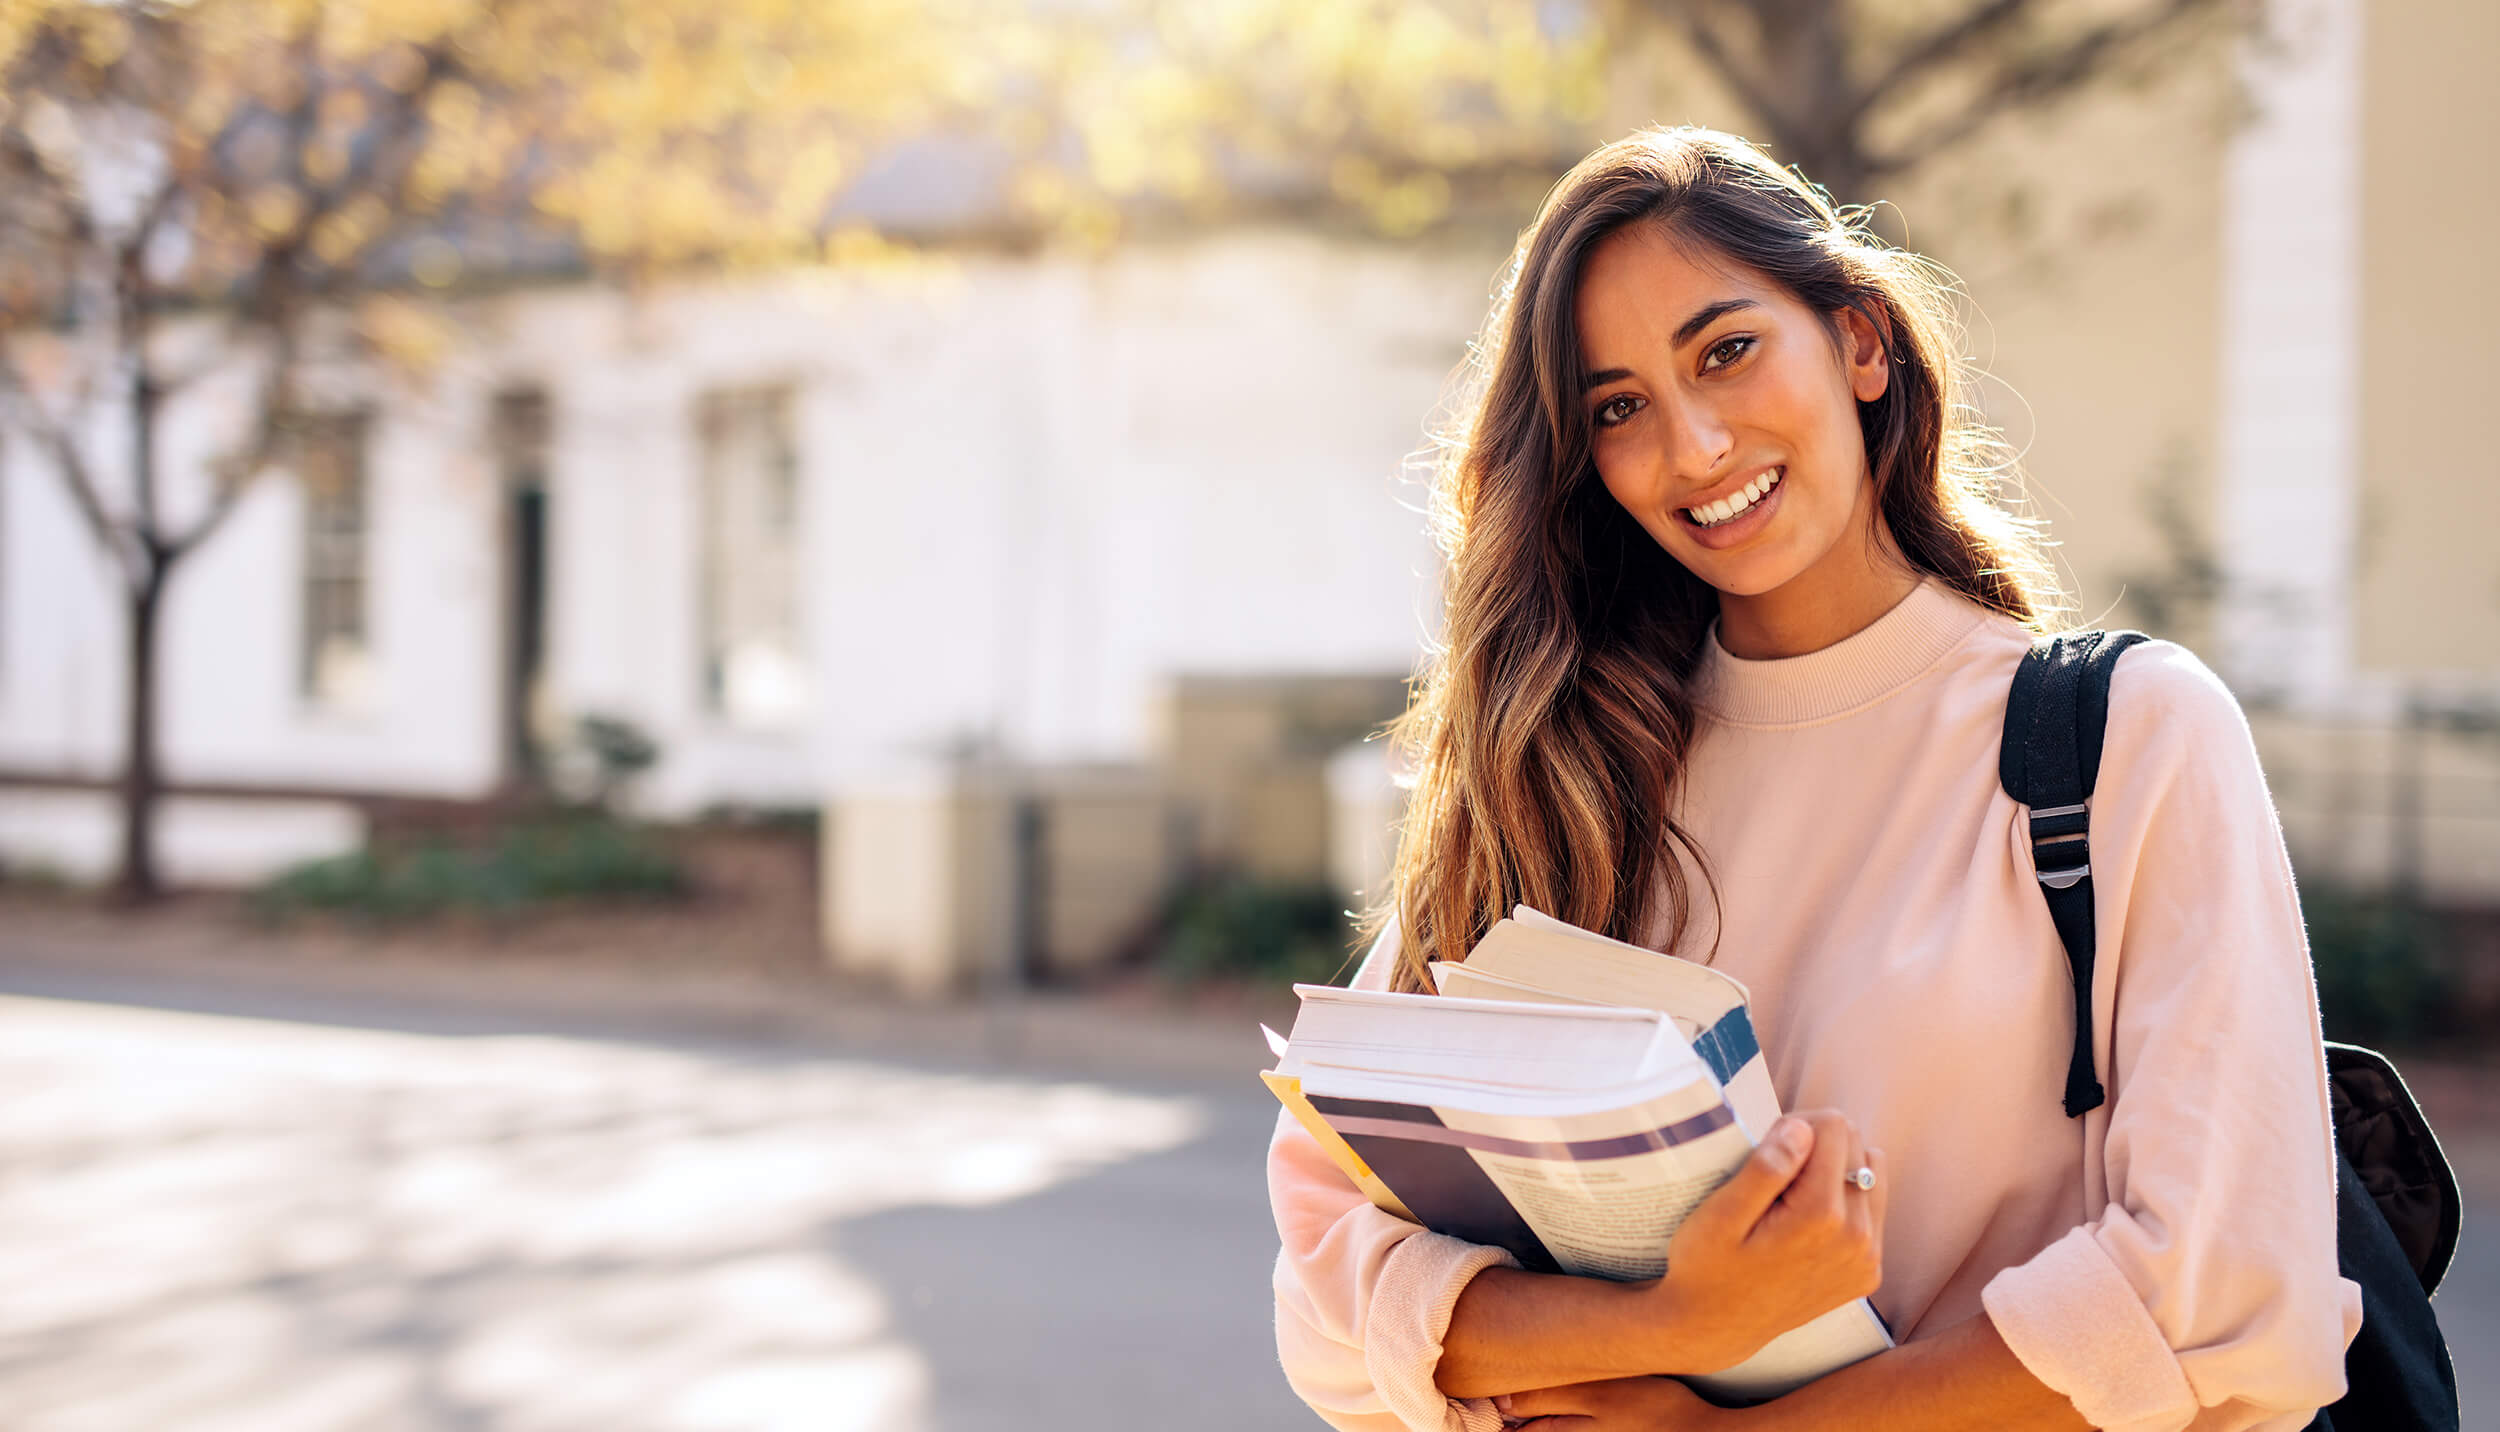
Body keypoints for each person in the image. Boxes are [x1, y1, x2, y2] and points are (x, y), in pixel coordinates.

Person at [1267, 126, 2361, 1432]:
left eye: (1726, 350)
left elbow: (2223, 1299)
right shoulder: (1566, 776)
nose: (1695, 447)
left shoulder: (2125, 738)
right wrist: (1672, 1323)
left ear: (1859, 342)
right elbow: (1330, 1292)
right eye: (1619, 408)